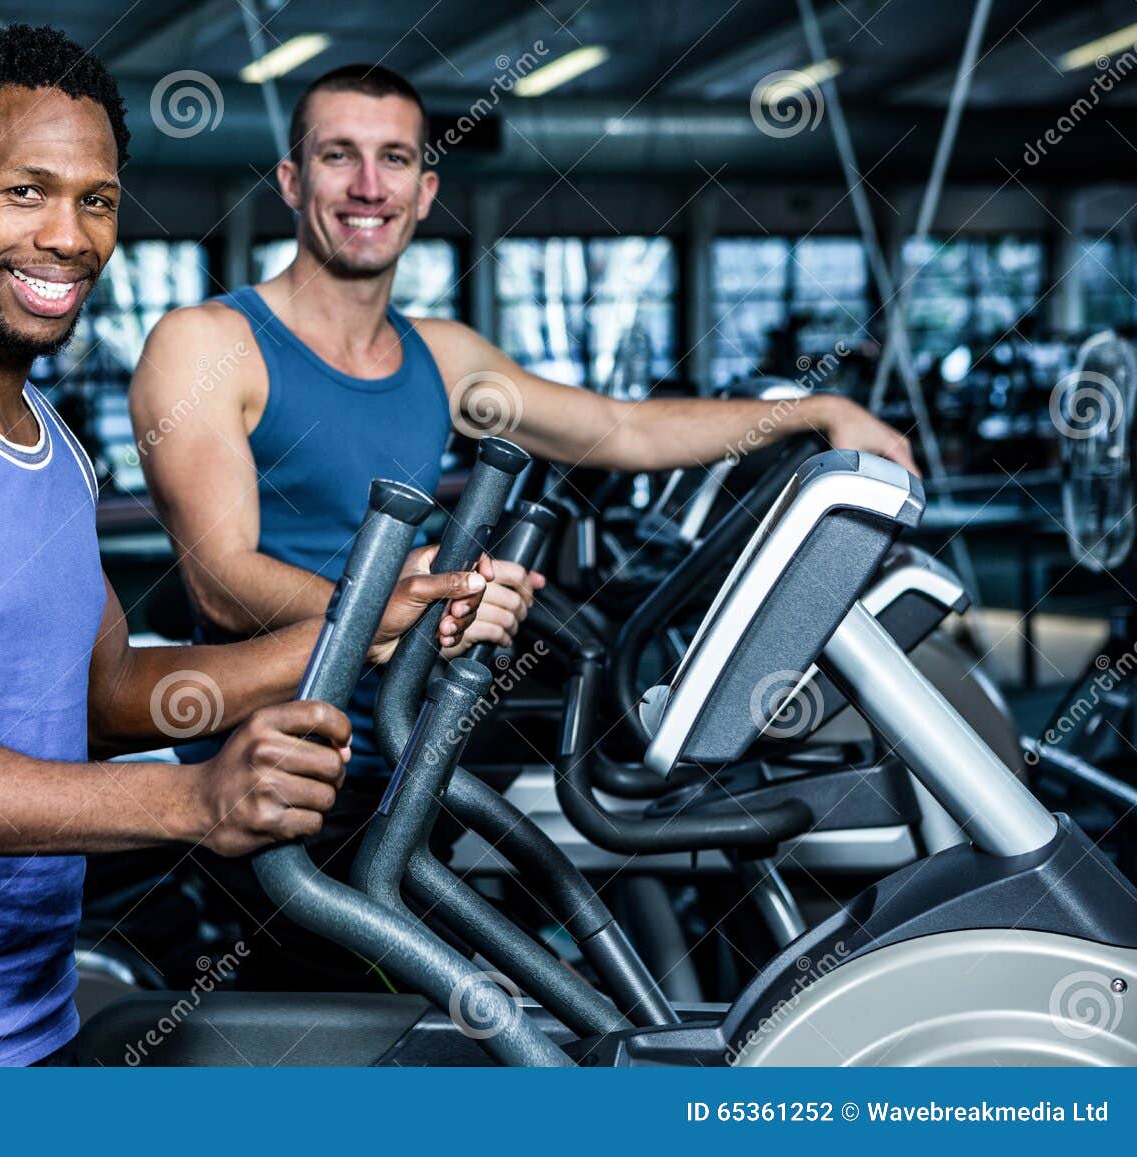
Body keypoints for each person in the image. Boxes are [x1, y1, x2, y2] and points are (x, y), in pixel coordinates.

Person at [0, 27, 485, 1067]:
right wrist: (192, 800)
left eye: (97, 200)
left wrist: (363, 627)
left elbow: (104, 696)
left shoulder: (53, 445)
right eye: (26, 192)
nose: (69, 236)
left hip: (34, 1023)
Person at [129, 63, 918, 988]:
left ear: (426, 190)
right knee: (411, 1018)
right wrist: (411, 605)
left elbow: (620, 430)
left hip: (410, 758)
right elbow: (222, 580)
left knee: (530, 971)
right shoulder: (210, 343)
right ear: (292, 180)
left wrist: (813, 412)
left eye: (394, 160)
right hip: (279, 777)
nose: (369, 186)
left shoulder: (440, 358)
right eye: (339, 156)